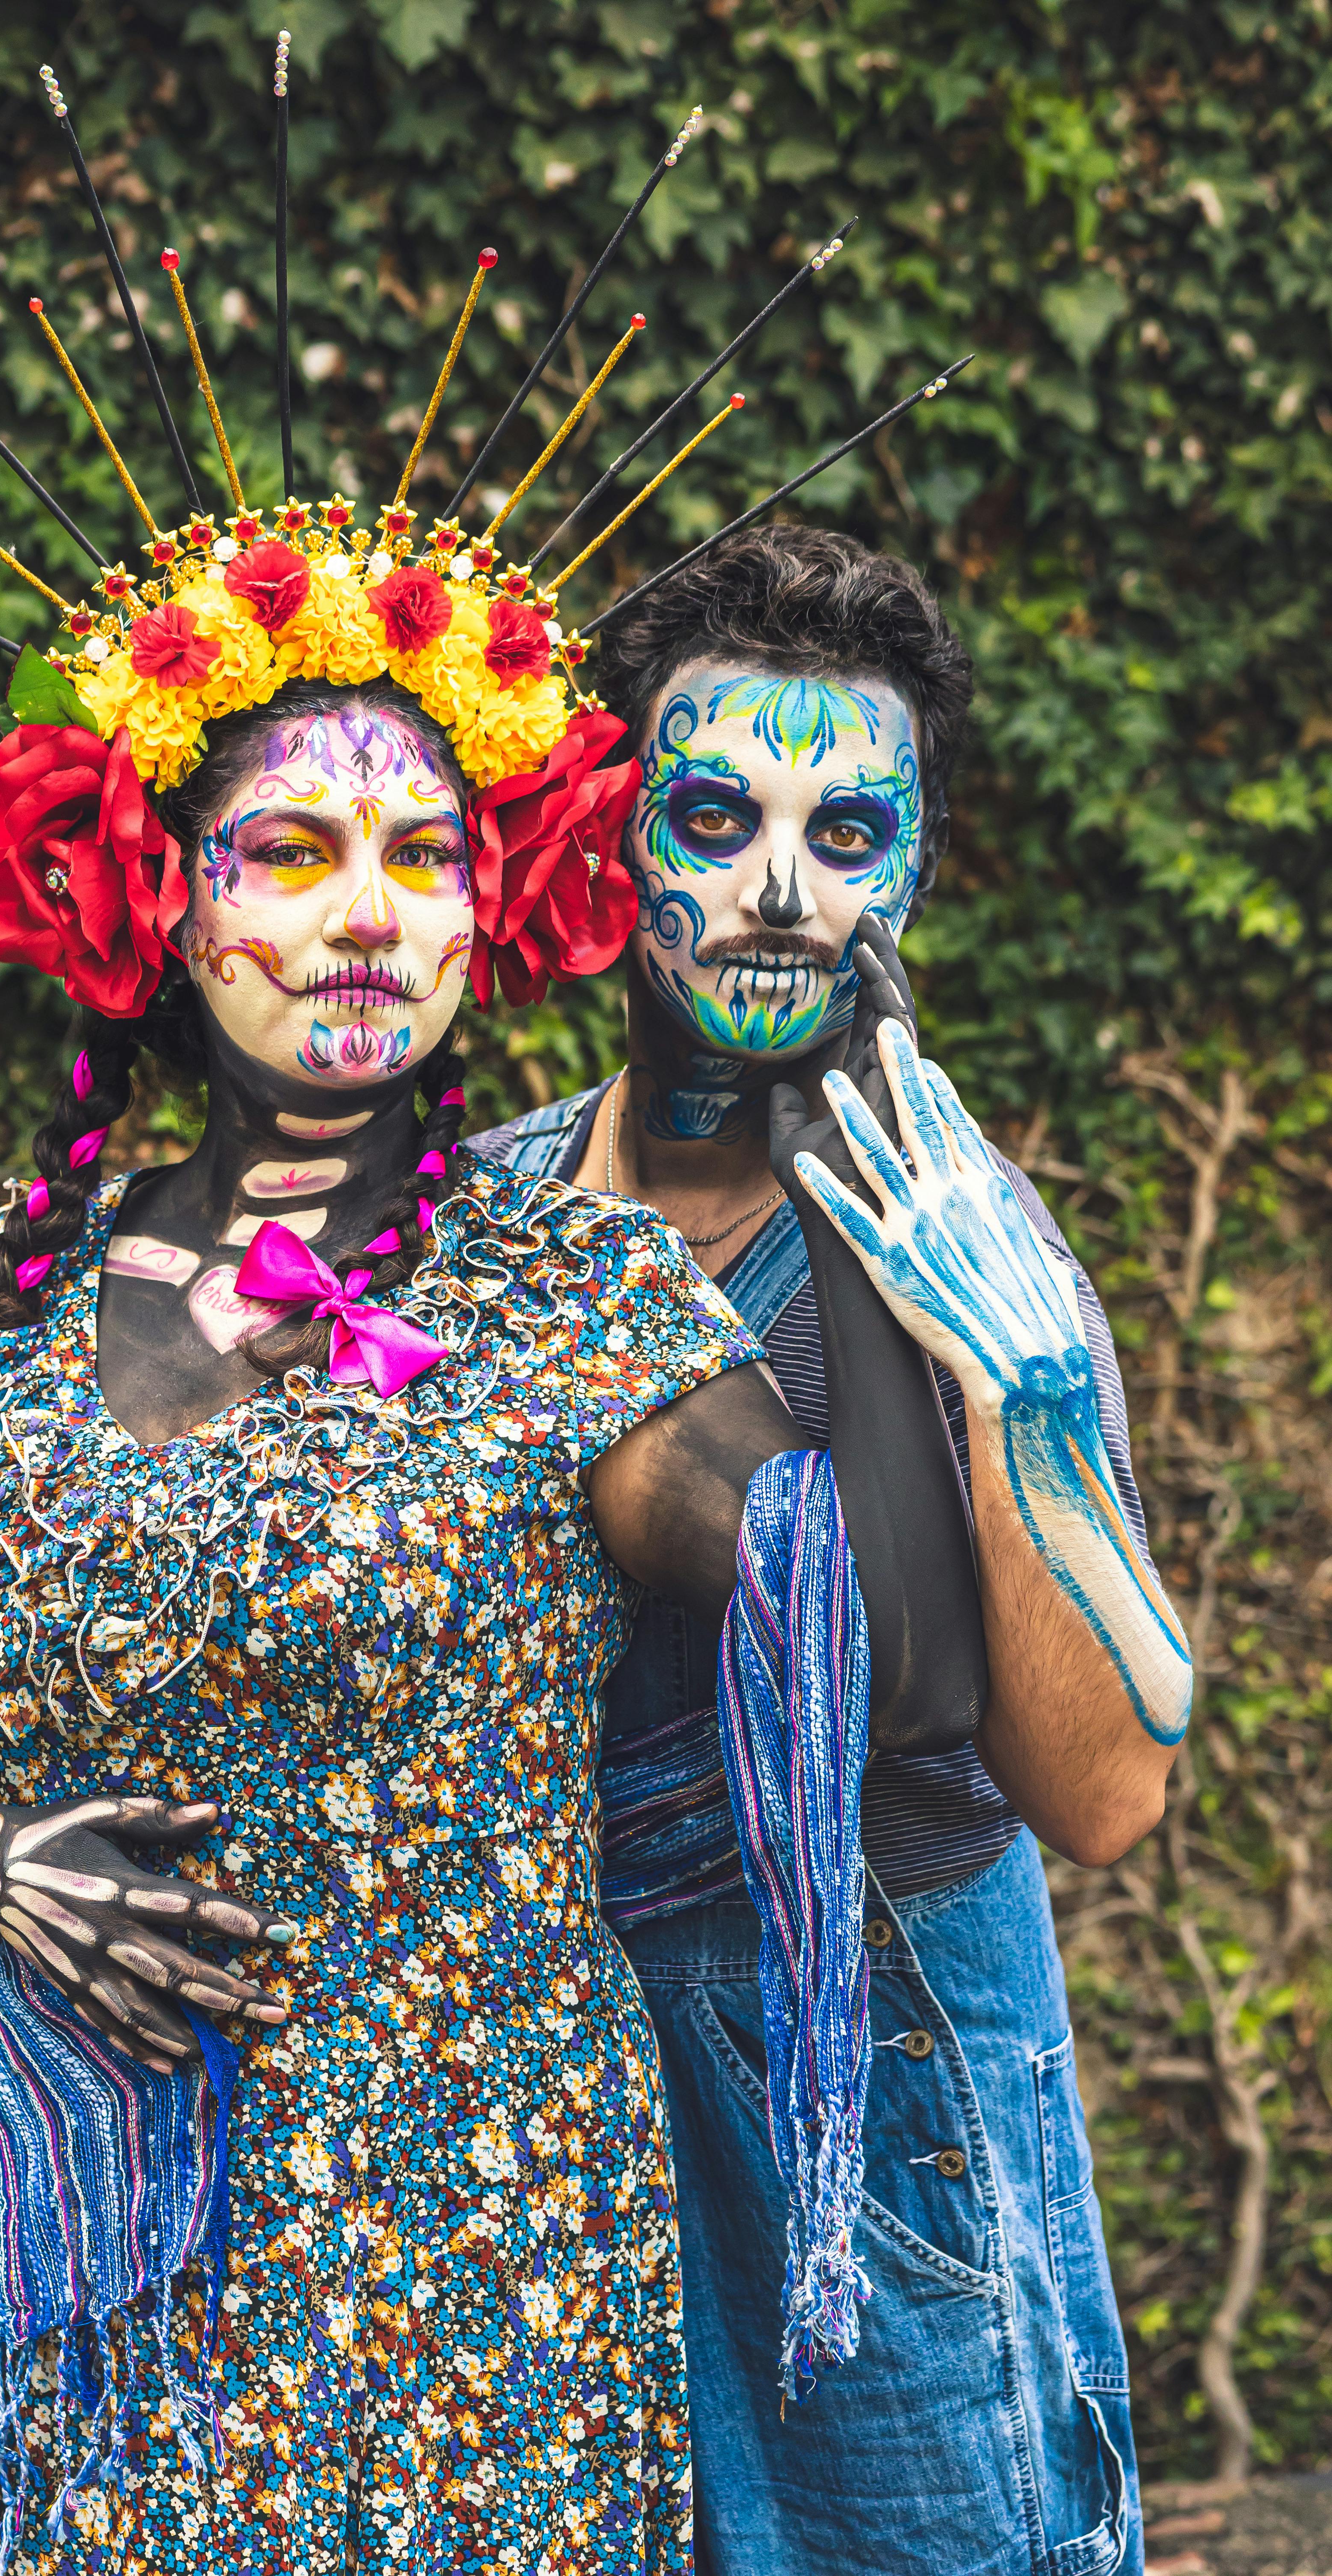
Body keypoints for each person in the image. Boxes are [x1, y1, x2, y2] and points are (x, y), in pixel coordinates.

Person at [0, 396, 992, 2576]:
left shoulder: (562, 1297)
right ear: (155, 886)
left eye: (423, 855)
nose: (365, 915)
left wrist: (834, 1114)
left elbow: (861, 1634)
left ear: (488, 905)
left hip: (476, 2269)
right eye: (290, 851)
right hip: (109, 2277)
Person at [473, 521, 1194, 2576]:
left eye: (848, 829)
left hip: (880, 2111)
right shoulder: (478, 1216)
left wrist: (1018, 1386)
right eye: (714, 814)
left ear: (915, 876)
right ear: (613, 842)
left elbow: (1112, 1791)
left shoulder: (961, 1239)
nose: (782, 891)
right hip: (541, 2115)